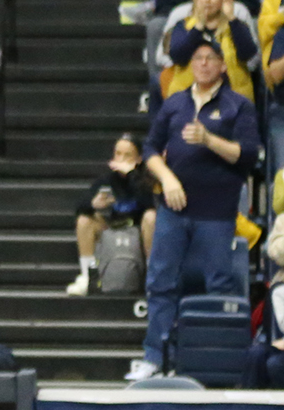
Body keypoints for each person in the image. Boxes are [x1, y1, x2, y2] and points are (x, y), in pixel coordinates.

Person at [136, 36, 258, 380]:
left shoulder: (238, 106)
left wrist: (209, 140)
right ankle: (156, 357)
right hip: (173, 208)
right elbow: (150, 149)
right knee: (161, 281)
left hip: (217, 212)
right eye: (198, 58)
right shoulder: (175, 102)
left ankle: (216, 361)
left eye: (210, 58)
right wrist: (167, 178)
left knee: (218, 284)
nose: (203, 64)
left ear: (222, 65)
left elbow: (247, 155)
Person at [67, 134, 157, 295]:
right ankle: (88, 276)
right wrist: (93, 204)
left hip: (138, 231)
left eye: (127, 155)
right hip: (113, 230)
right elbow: (79, 207)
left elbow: (150, 203)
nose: (121, 159)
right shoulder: (107, 179)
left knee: (151, 216)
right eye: (118, 154)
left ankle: (153, 276)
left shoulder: (146, 178)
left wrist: (131, 175)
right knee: (84, 220)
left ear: (138, 159)